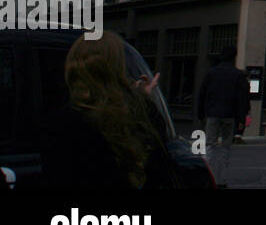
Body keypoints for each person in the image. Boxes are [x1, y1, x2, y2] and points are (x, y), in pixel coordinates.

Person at [40, 31, 178, 189]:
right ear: (118, 69)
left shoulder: (62, 124)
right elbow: (159, 167)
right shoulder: (140, 117)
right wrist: (140, 100)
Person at [196, 45, 250, 187]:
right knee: (226, 148)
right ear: (234, 57)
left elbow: (202, 94)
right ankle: (221, 179)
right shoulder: (238, 75)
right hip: (230, 115)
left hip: (213, 114)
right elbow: (242, 99)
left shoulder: (211, 73)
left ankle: (208, 177)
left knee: (210, 146)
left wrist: (201, 114)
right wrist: (242, 119)